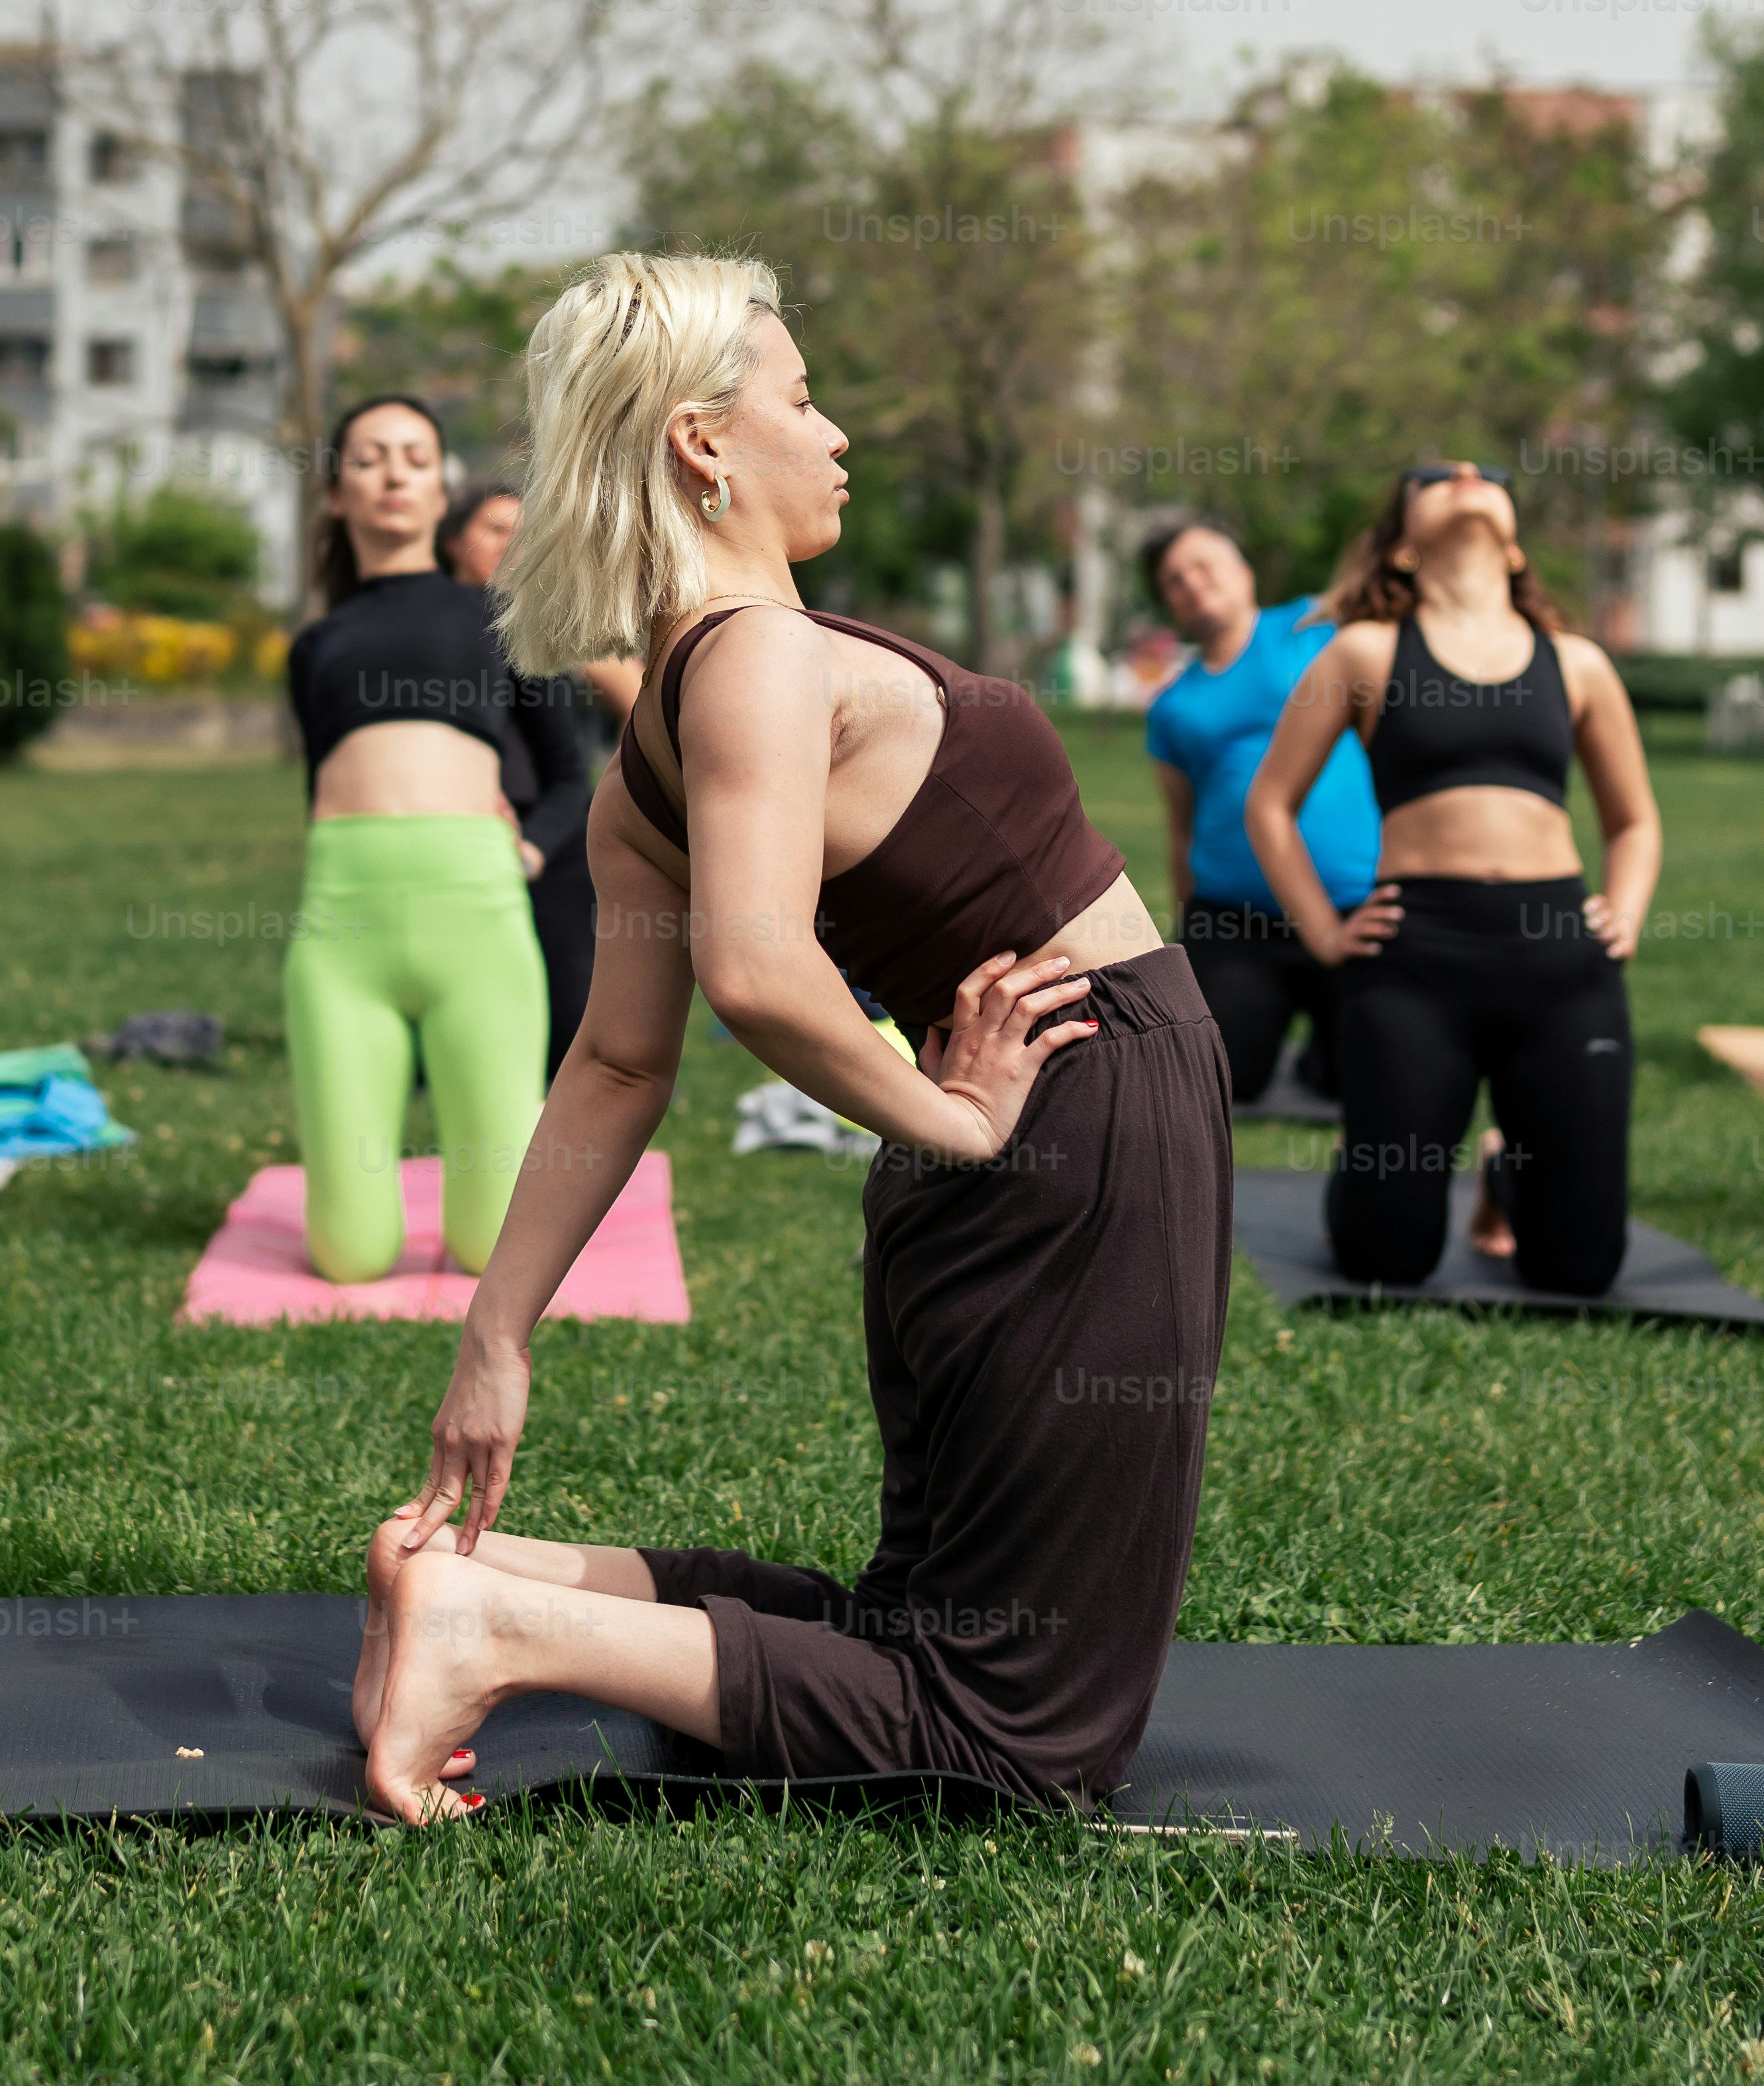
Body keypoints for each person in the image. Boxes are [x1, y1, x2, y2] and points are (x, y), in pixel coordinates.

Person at [355, 256, 1227, 1824]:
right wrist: (950, 1119)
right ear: (701, 439)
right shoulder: (753, 654)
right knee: (1022, 1734)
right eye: (803, 398)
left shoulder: (652, 743)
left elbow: (623, 1063)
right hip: (1063, 1128)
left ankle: (480, 1573)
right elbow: (753, 970)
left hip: (1019, 1134)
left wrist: (500, 1332)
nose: (835, 436)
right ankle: (497, 1625)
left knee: (928, 1625)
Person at [1242, 462, 1661, 1296]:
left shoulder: (1578, 663)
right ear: (1401, 550)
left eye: (1488, 474)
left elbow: (1635, 821)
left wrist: (1627, 910)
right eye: (1438, 476)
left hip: (1561, 967)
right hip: (1414, 964)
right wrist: (1326, 933)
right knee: (1384, 1258)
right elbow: (1270, 805)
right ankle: (1367, 1174)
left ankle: (1508, 1178)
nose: (1468, 477)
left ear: (1514, 549)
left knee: (1578, 1271)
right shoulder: (1365, 649)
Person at [282, 402, 576, 1282]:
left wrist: (523, 852)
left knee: (497, 1246)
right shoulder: (316, 644)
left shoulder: (501, 616)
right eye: (371, 459)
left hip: (478, 918)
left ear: (440, 482)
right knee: (349, 1255)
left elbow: (570, 778)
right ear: (337, 494)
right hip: (344, 924)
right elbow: (315, 794)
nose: (396, 474)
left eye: (416, 456)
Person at [1138, 518, 1377, 1112]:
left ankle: (1326, 1056)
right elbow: (1182, 826)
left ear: (1245, 570)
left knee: (1365, 1077)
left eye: (1205, 564)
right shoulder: (1173, 707)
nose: (1192, 583)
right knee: (1222, 1078)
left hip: (1355, 904)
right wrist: (1187, 928)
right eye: (1174, 580)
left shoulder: (1314, 628)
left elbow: (1377, 568)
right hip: (1237, 921)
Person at [441, 479, 610, 1073]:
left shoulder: (524, 640)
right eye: (494, 530)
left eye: (522, 534)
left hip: (544, 846)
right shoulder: (426, 635)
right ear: (453, 541)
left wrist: (530, 849)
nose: (511, 546)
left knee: (564, 1027)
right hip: (441, 847)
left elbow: (570, 775)